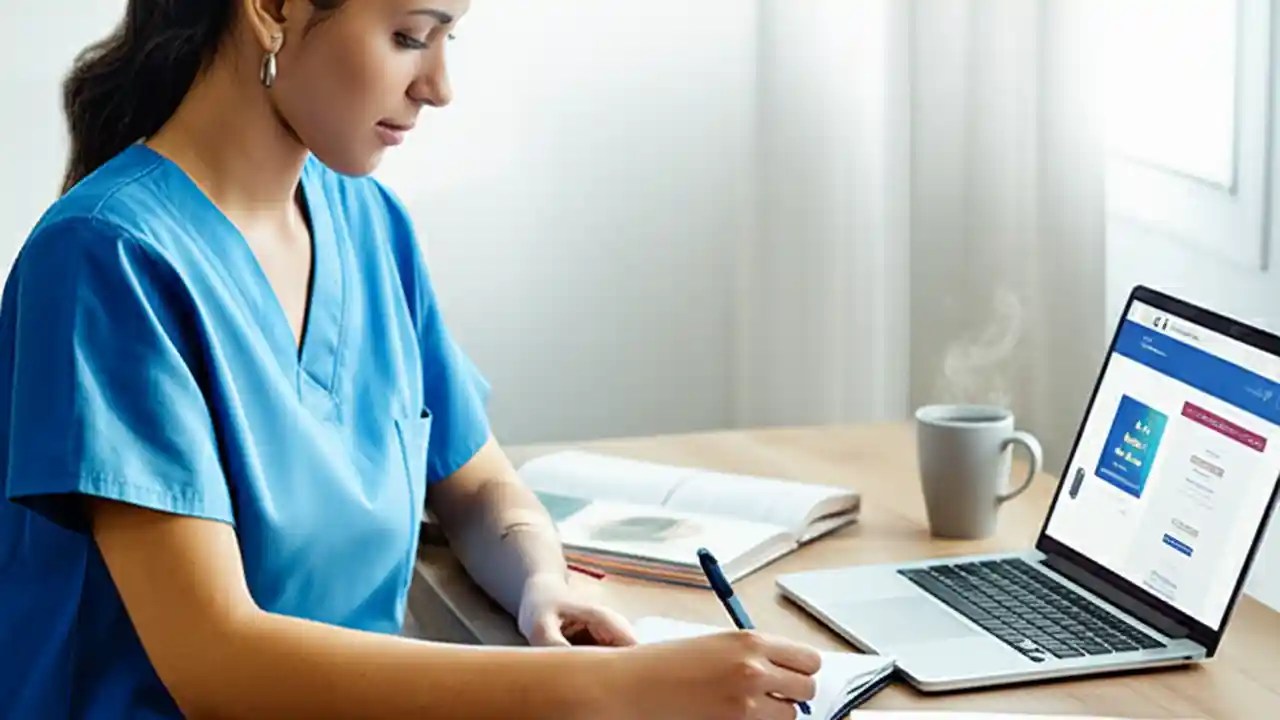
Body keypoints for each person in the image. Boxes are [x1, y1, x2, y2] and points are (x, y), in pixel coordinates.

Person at [0, 1, 821, 718]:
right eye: (408, 35)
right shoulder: (104, 260)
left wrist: (541, 579)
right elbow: (217, 665)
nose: (438, 86)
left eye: (447, 38)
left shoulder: (367, 222)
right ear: (270, 8)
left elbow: (478, 484)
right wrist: (618, 691)